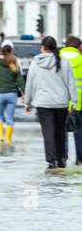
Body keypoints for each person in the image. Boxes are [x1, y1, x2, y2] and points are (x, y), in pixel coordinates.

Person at [24, 36, 74, 168]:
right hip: (61, 102)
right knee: (60, 131)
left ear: (43, 47)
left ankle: (51, 160)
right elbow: (71, 83)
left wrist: (27, 103)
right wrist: (73, 101)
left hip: (43, 103)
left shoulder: (36, 63)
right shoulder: (64, 62)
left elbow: (30, 84)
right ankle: (61, 158)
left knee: (48, 132)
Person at [0, 43, 23, 144]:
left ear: (1, 53)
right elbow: (20, 80)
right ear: (11, 52)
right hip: (12, 94)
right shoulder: (15, 63)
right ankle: (9, 139)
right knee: (10, 118)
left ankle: (0, 137)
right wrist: (24, 93)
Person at [63, 37, 82, 163]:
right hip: (79, 101)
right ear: (79, 47)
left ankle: (62, 158)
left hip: (60, 101)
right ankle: (80, 159)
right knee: (79, 131)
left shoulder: (57, 59)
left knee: (60, 131)